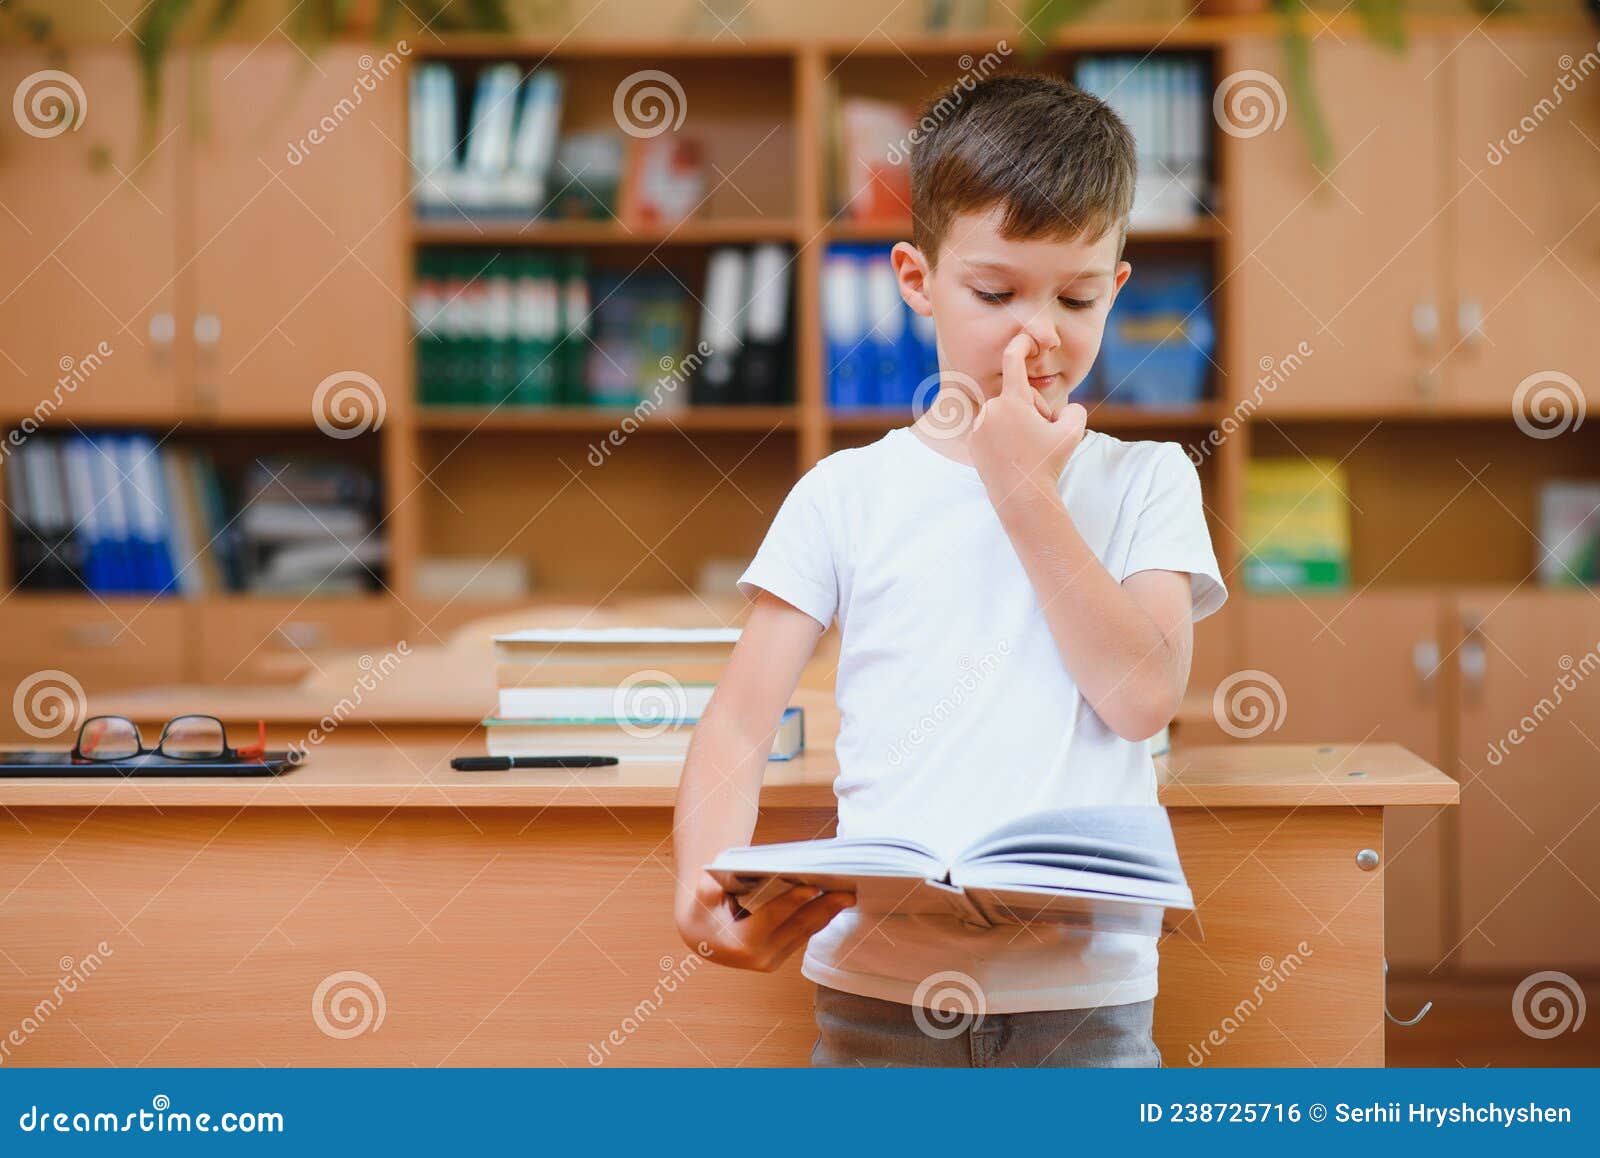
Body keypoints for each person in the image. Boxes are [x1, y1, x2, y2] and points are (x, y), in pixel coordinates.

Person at [672, 71, 1227, 1067]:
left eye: (1077, 294)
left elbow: (1140, 696)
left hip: (1083, 1006)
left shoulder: (1147, 483)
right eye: (994, 292)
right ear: (916, 278)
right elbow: (738, 719)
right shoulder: (846, 494)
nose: (1039, 333)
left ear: (1118, 285)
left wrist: (1020, 489)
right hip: (878, 996)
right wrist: (698, 875)